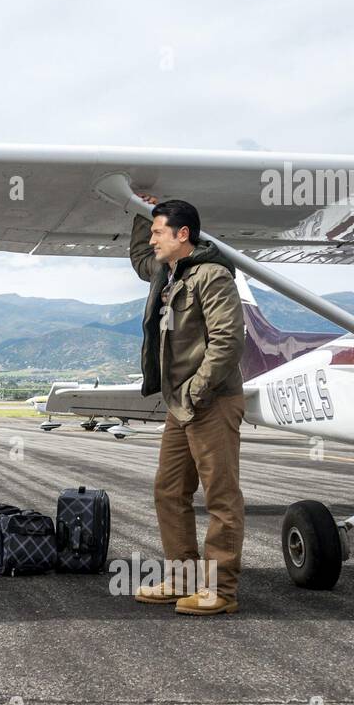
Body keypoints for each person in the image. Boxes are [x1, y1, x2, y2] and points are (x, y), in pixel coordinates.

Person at [129, 197, 246, 615]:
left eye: (158, 231)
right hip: (183, 404)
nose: (151, 239)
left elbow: (228, 340)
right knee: (169, 489)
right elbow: (141, 257)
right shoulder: (169, 272)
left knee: (220, 495)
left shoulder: (211, 276)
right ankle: (181, 579)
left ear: (183, 235)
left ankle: (222, 591)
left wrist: (197, 391)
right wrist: (140, 210)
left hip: (210, 400)